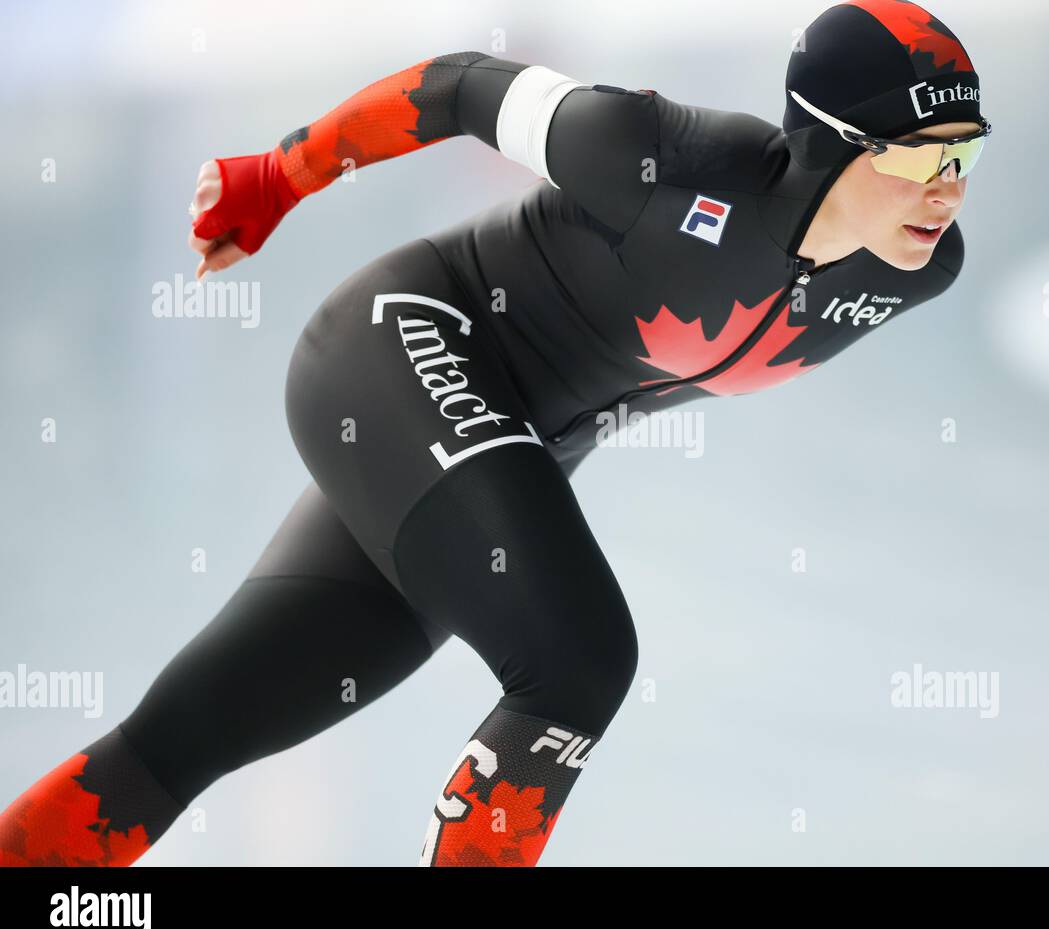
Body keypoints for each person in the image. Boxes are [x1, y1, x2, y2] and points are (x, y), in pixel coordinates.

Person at [0, 0, 990, 867]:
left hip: (497, 441)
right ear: (829, 141)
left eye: (965, 153)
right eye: (920, 156)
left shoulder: (912, 270)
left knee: (192, 731)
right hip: (402, 342)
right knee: (579, 662)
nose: (947, 189)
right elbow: (460, 86)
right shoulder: (663, 161)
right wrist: (279, 174)